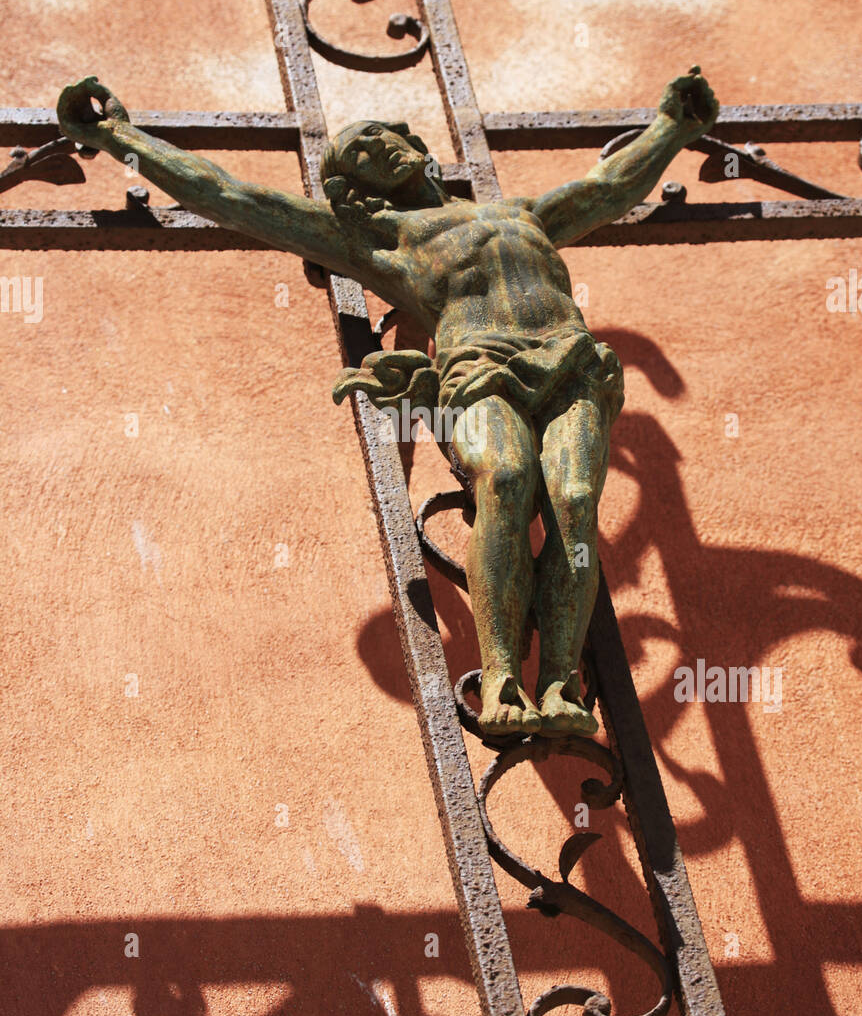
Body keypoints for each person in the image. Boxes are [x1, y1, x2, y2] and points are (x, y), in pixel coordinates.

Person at [57, 66, 718, 737]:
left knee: (575, 503)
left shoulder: (520, 213)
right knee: (508, 479)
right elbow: (228, 194)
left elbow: (610, 187)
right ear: (358, 189)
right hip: (481, 364)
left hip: (571, 360)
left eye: (380, 137)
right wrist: (117, 134)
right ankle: (502, 680)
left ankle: (562, 683)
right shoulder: (382, 239)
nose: (382, 147)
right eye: (361, 154)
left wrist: (674, 127)